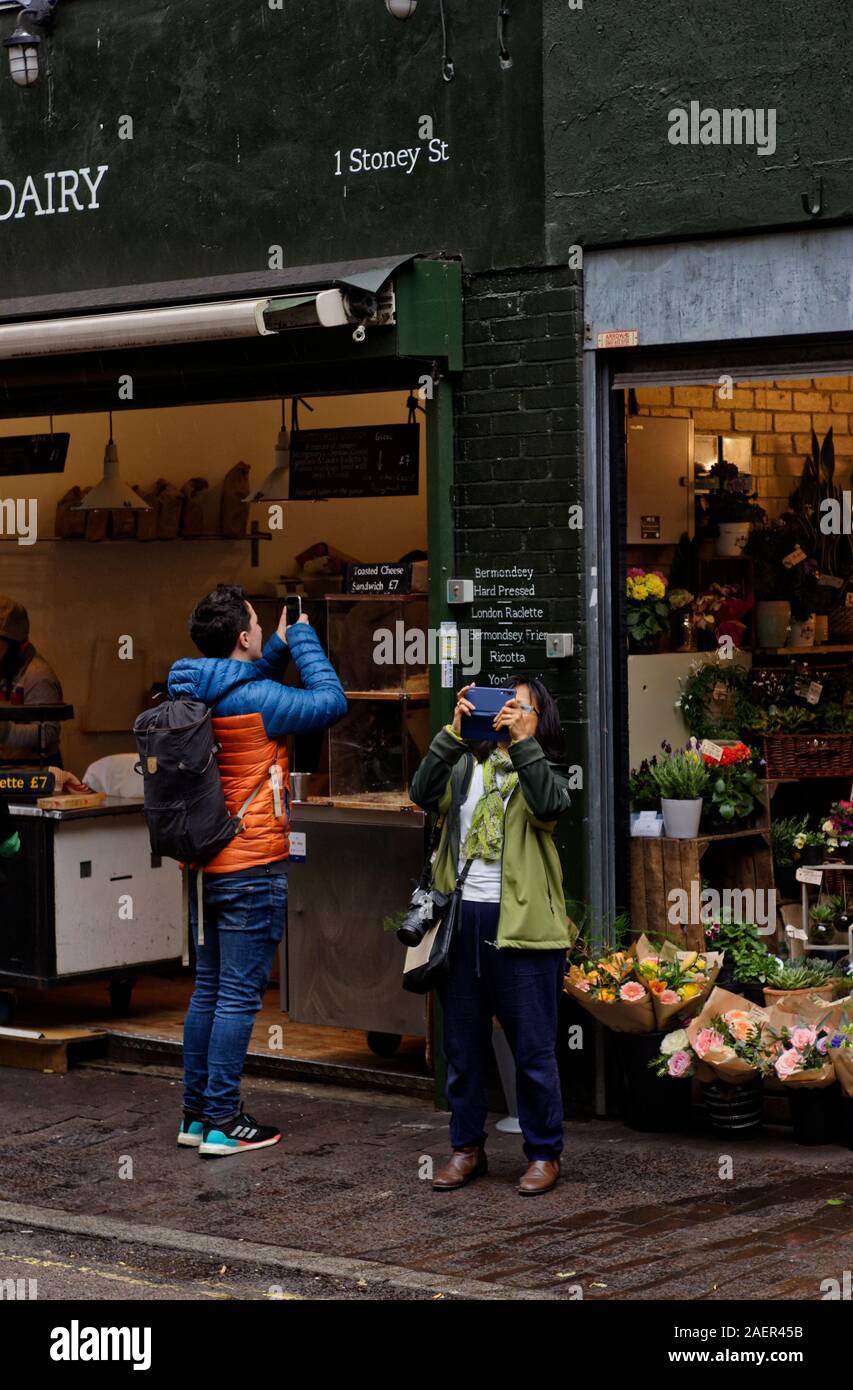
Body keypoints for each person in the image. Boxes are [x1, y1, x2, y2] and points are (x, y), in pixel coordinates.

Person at [167, 585, 346, 1160]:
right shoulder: (261, 700)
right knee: (240, 998)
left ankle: (196, 1115)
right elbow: (331, 700)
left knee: (210, 991)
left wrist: (275, 643)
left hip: (205, 863)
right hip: (250, 867)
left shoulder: (192, 689)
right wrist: (302, 636)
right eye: (255, 626)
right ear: (244, 637)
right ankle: (222, 1120)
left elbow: (244, 679)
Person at [409, 675, 573, 1196]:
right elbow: (420, 792)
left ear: (539, 718)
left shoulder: (542, 769)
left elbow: (549, 807)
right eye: (503, 707)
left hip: (522, 927)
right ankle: (466, 1149)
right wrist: (453, 734)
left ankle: (544, 1153)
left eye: (522, 709)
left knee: (533, 1050)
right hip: (462, 922)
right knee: (463, 1048)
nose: (509, 715)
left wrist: (523, 743)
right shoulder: (464, 765)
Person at [0, 596, 64, 767]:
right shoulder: (6, 668)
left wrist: (5, 732)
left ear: (19, 644)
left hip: (35, 771)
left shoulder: (38, 676)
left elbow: (49, 734)